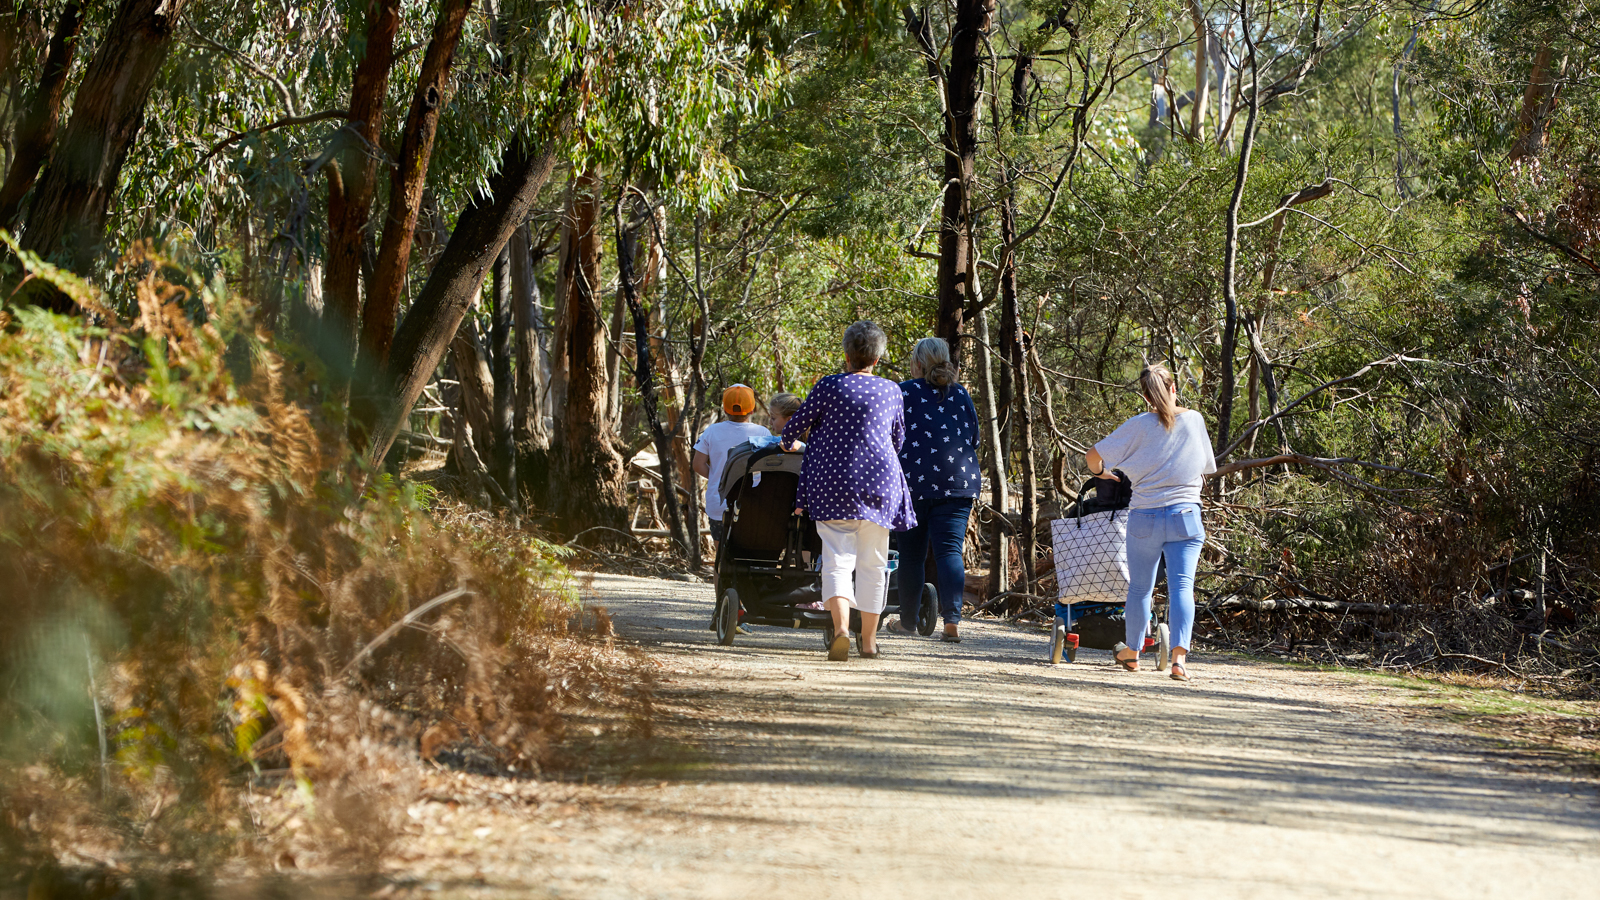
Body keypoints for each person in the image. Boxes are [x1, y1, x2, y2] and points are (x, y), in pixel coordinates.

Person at [781, 322, 915, 661]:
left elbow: (795, 426)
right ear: (878, 357)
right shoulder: (891, 391)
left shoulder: (829, 386)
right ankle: (868, 643)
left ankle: (841, 629)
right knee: (874, 564)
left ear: (847, 355)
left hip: (833, 484)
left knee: (837, 561)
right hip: (881, 484)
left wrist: (787, 442)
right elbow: (898, 440)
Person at [1086, 363, 1216, 681]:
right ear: (1173, 388)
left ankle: (1132, 653)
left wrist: (1104, 474)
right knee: (1182, 586)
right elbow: (1207, 468)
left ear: (1146, 397)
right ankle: (1179, 661)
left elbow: (1093, 456)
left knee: (1140, 588)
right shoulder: (1195, 420)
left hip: (1144, 516)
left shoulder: (1138, 425)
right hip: (1186, 515)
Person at [888, 337, 979, 643]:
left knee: (911, 556)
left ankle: (909, 623)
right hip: (957, 484)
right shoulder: (961, 394)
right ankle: (951, 621)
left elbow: (888, 436)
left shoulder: (903, 391)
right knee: (949, 551)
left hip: (913, 484)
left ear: (917, 364)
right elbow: (974, 439)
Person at [693, 384, 770, 547]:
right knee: (746, 554)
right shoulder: (763, 433)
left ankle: (719, 573)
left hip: (719, 504)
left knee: (721, 556)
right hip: (752, 505)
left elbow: (698, 464)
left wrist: (719, 477)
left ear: (725, 409)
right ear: (752, 409)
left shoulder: (711, 431)